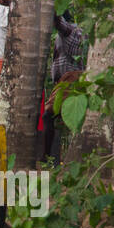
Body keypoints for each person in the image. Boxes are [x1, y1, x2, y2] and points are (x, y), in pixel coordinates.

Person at [42, 10, 88, 160]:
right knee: (63, 117)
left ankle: (46, 157)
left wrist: (50, 7)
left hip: (70, 79)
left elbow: (57, 21)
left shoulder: (70, 31)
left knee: (48, 115)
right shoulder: (79, 32)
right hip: (71, 78)